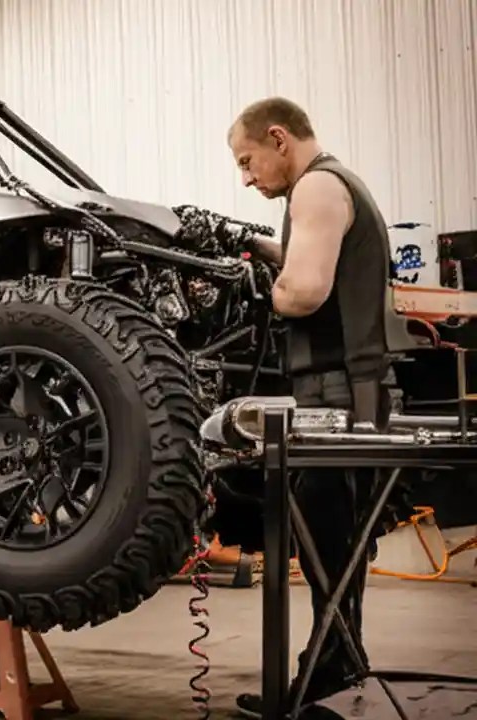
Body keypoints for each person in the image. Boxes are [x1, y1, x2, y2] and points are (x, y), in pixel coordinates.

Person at [223, 97, 404, 718]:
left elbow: (302, 294)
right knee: (339, 545)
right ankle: (335, 669)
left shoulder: (316, 187)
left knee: (325, 545)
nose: (247, 178)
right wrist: (259, 249)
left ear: (279, 139)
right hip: (355, 390)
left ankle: (317, 684)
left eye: (248, 161)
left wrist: (263, 288)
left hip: (336, 396)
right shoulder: (338, 186)